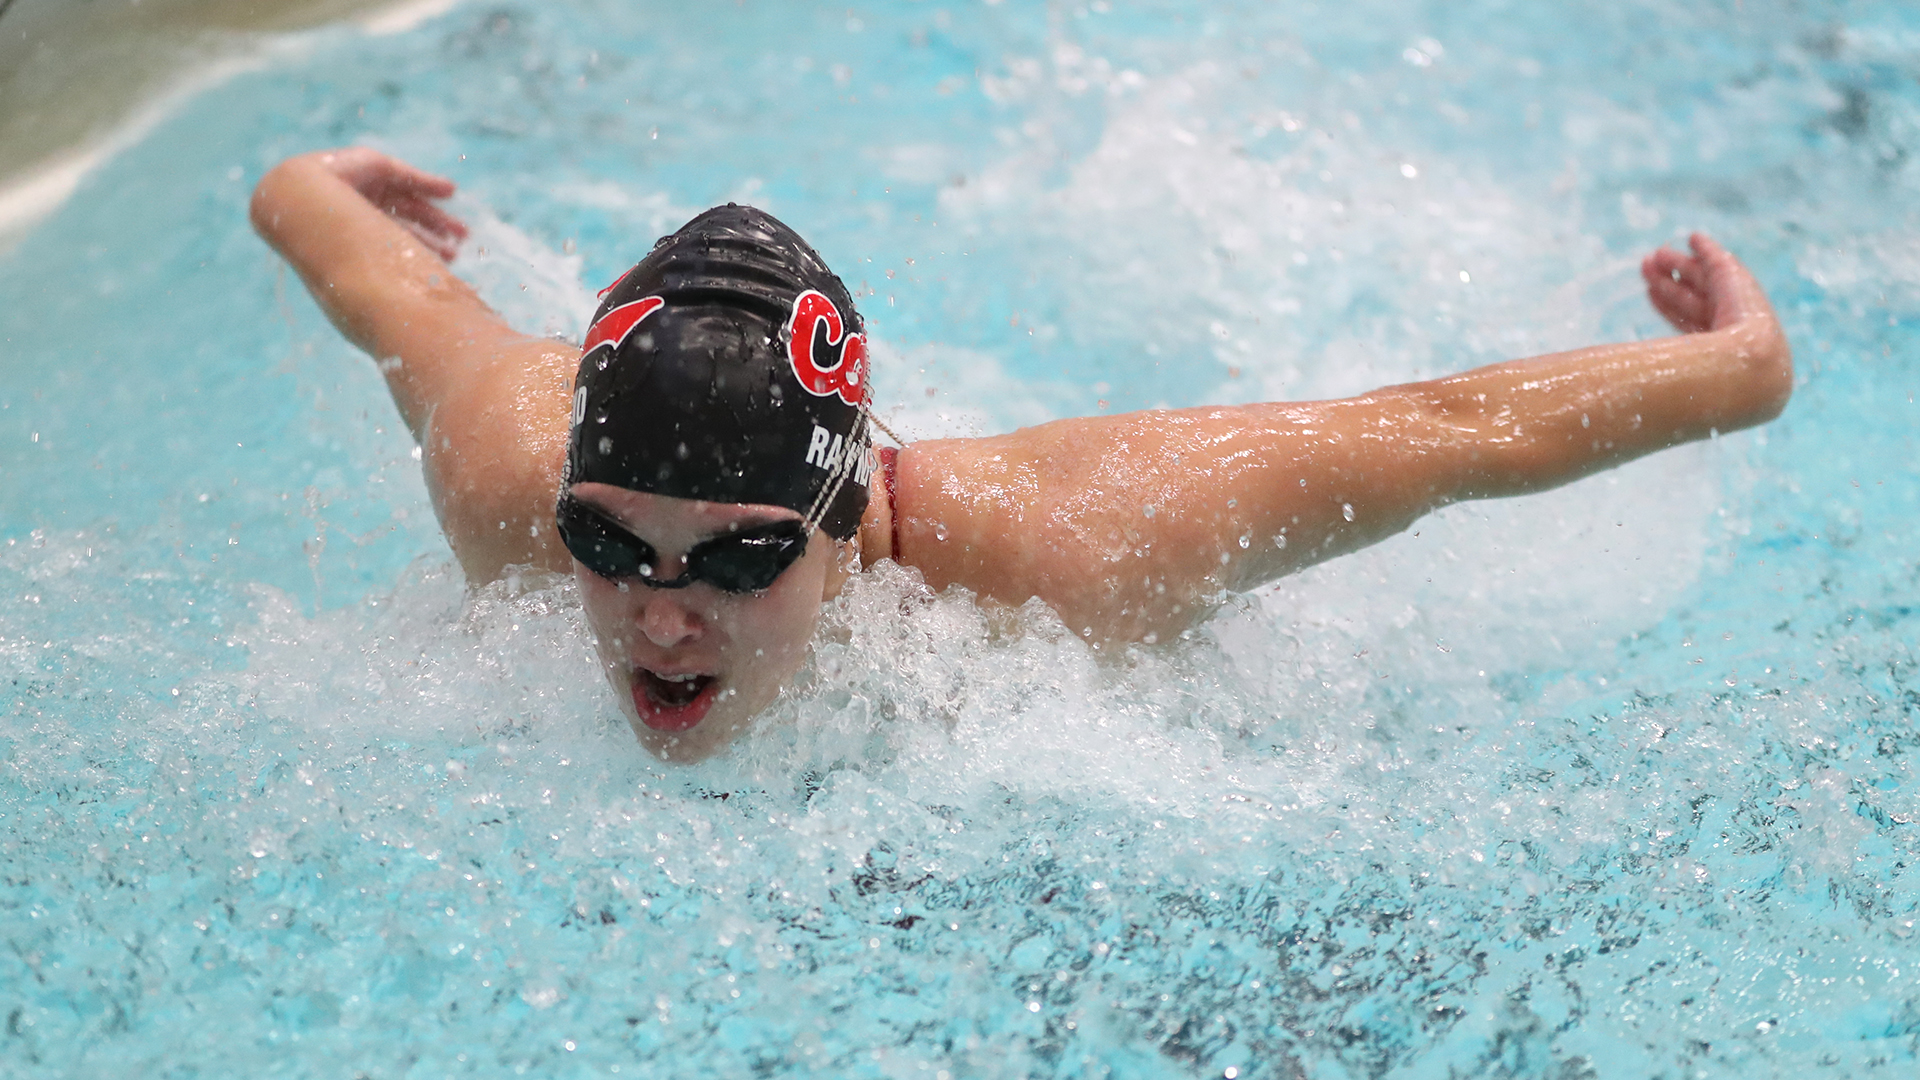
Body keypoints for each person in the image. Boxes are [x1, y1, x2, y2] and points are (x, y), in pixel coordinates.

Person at [250, 147, 1794, 759]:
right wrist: (305, 180)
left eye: (736, 557)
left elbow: (1450, 432)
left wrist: (1737, 369)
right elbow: (374, 272)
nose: (659, 613)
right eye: (615, 547)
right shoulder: (515, 476)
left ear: (851, 509)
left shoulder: (1082, 548)